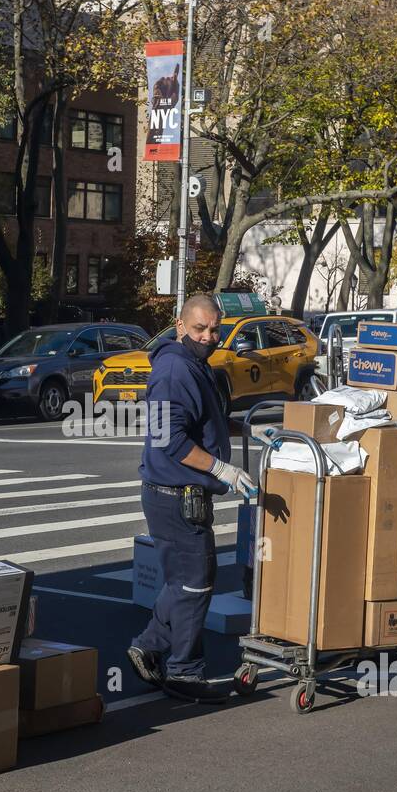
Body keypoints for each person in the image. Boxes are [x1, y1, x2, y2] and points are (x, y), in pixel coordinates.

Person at [126, 294, 257, 704]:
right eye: (199, 328)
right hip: (173, 495)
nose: (209, 336)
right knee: (195, 583)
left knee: (187, 583)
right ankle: (184, 672)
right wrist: (221, 470)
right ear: (180, 326)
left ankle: (148, 646)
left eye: (215, 329)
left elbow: (203, 423)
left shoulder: (195, 366)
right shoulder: (173, 370)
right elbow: (170, 440)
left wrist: (248, 429)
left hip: (181, 493)